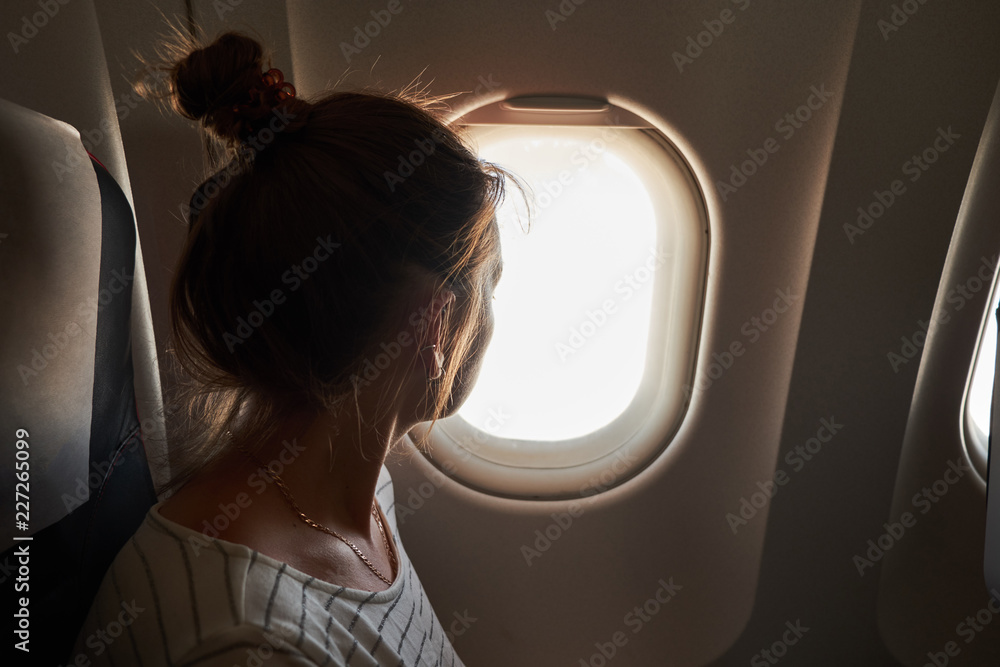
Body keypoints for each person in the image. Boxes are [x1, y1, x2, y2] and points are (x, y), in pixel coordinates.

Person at [72, 30, 517, 666]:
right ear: (436, 321)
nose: (492, 317)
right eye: (490, 286)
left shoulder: (356, 500)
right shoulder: (249, 640)